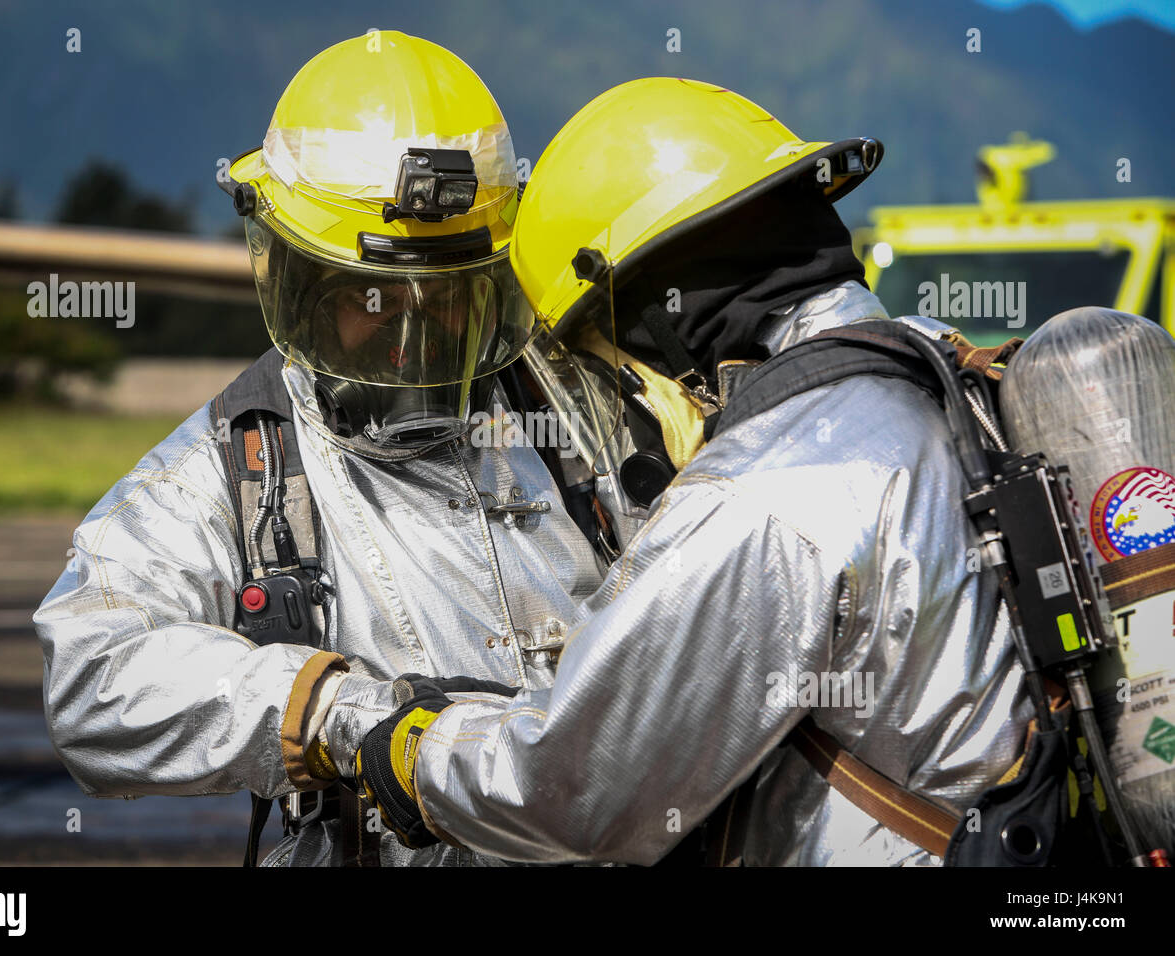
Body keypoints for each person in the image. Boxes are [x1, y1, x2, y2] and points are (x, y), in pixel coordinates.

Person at [343, 78, 1051, 866]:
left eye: (603, 364)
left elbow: (573, 790)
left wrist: (412, 748)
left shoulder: (764, 489)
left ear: (660, 327)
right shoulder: (954, 373)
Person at [32, 31, 608, 868]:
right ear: (296, 287)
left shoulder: (585, 424)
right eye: (371, 297)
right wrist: (330, 713)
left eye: (448, 298)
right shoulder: (227, 471)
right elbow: (91, 676)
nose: (415, 336)